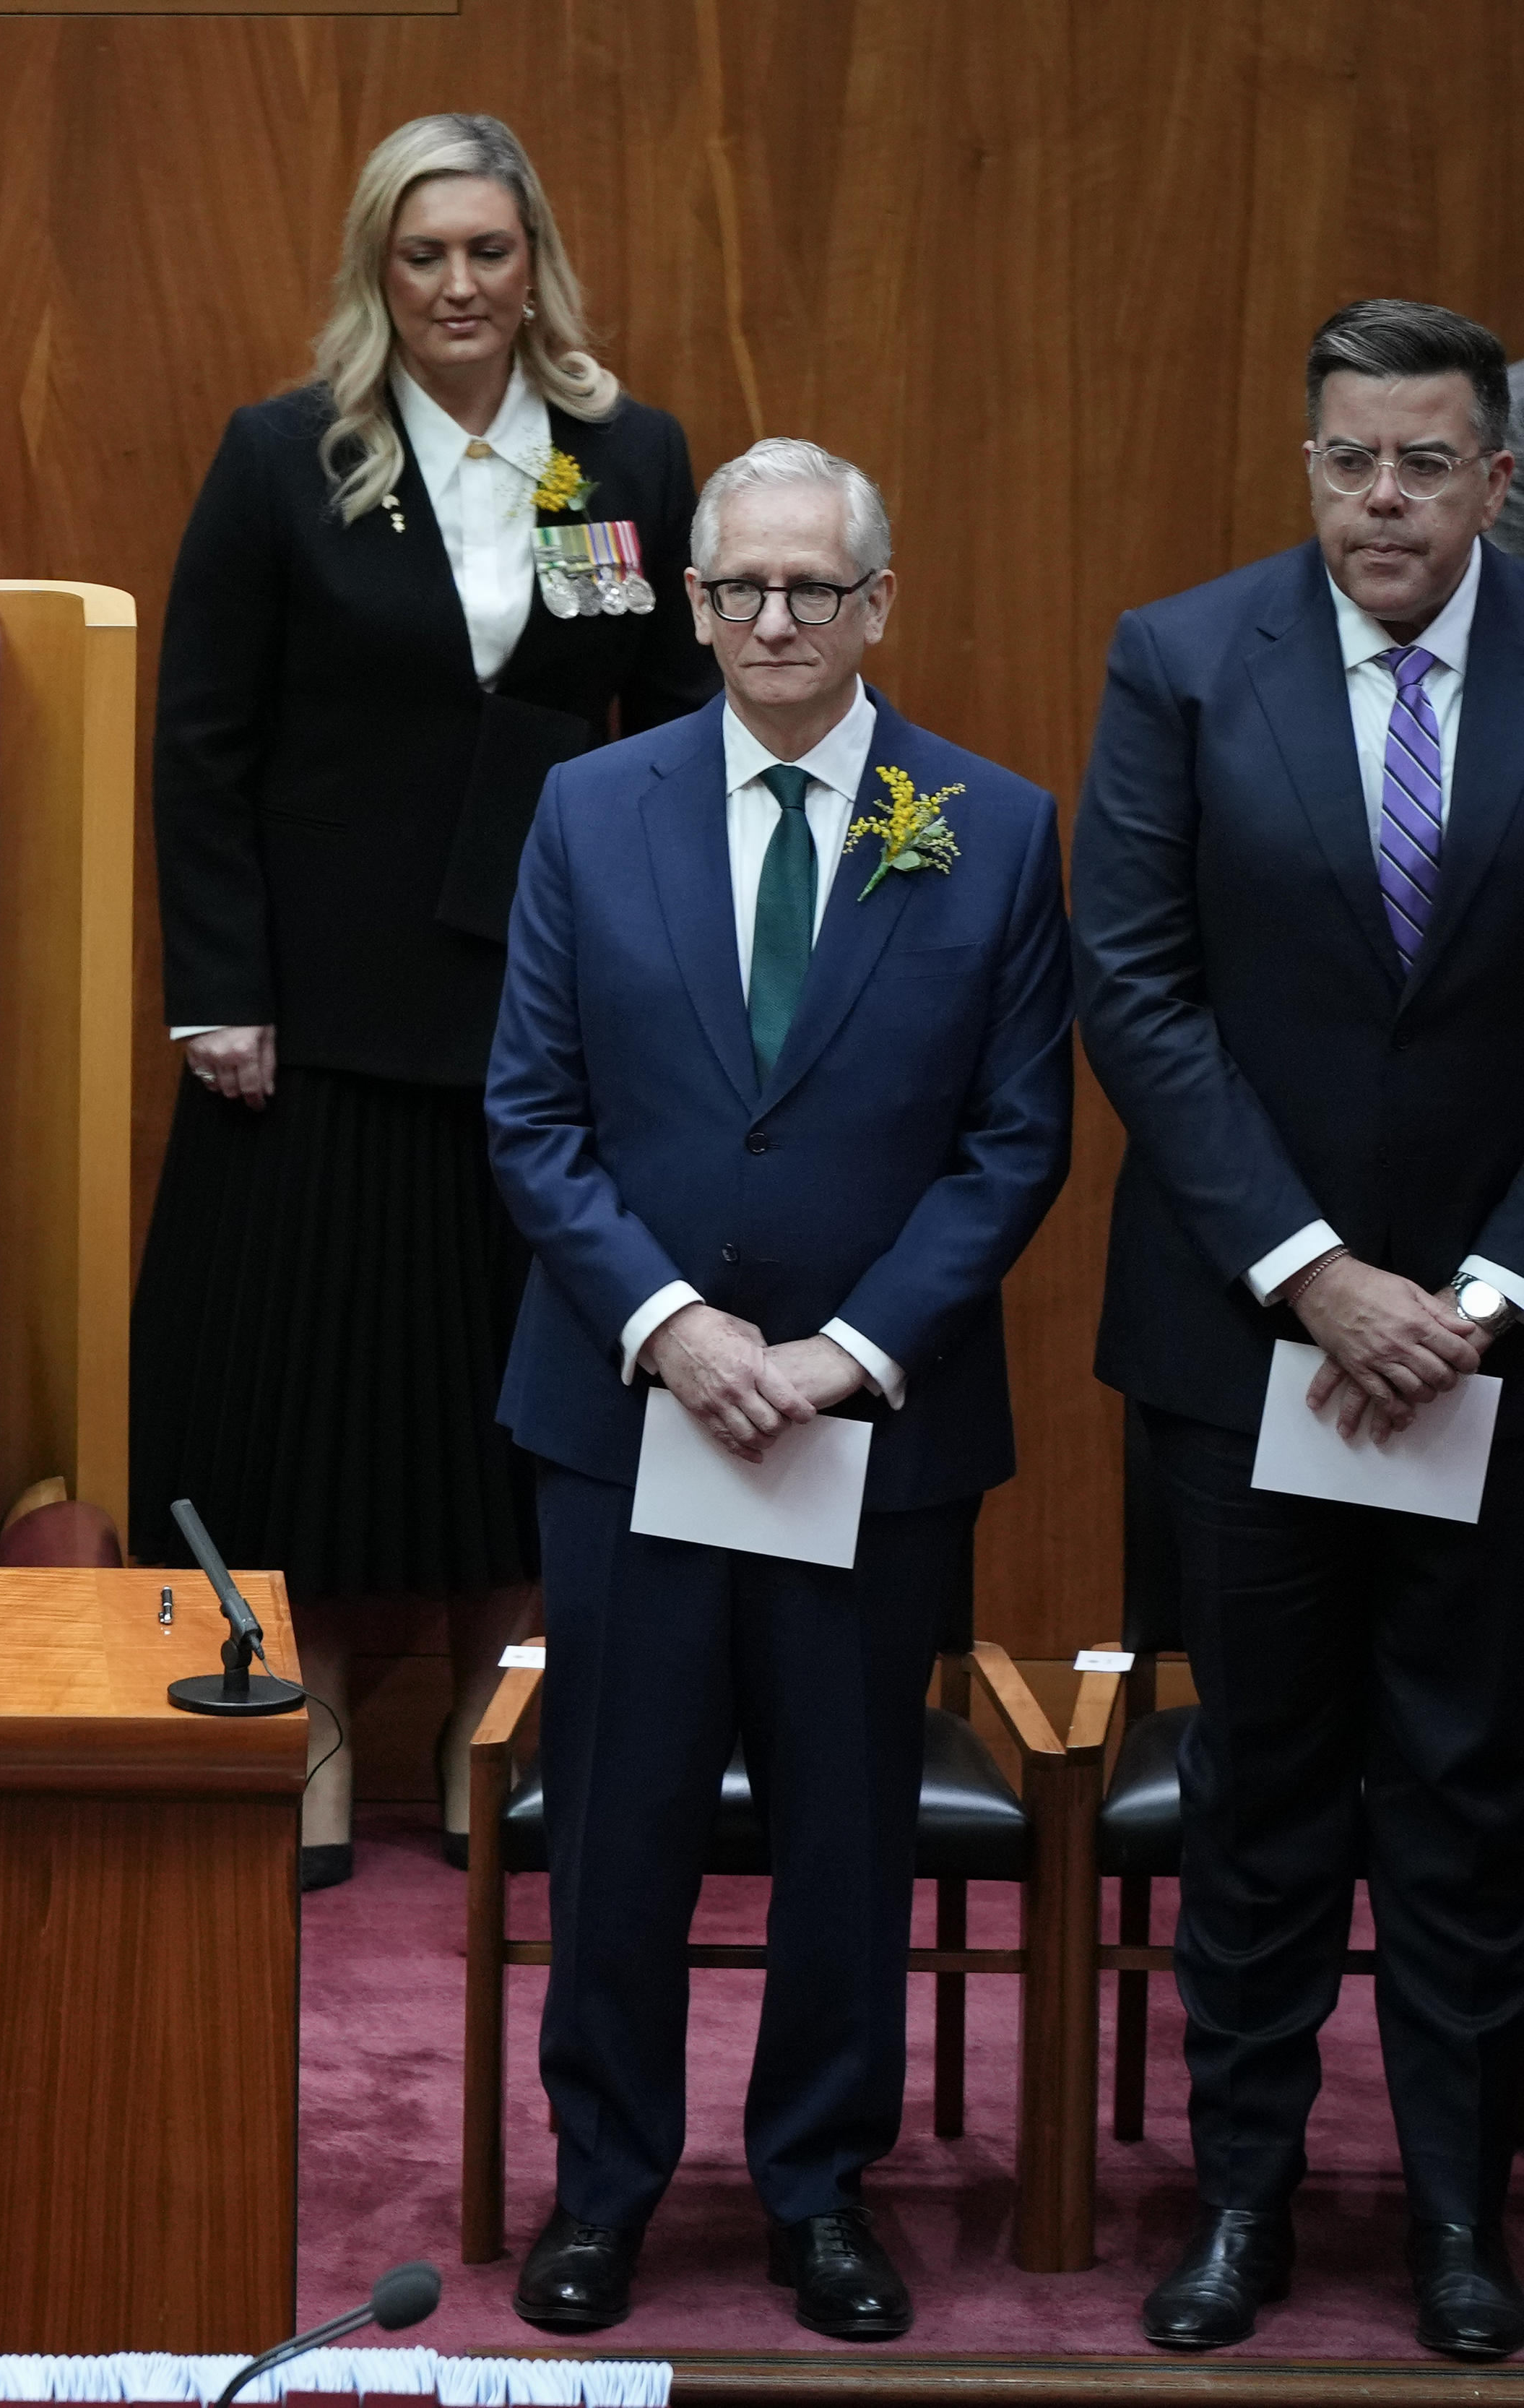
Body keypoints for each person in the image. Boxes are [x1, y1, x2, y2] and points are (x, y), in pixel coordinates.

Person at [486, 439, 1073, 2339]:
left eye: (811, 588)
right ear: (694, 600)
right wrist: (667, 1319)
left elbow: (1015, 1140)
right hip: (629, 1413)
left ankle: (821, 2188)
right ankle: (606, 2189)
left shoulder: (992, 826)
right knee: (624, 1818)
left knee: (846, 1829)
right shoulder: (590, 809)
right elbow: (534, 1112)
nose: (770, 620)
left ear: (877, 604)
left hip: (868, 1434)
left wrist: (847, 1352)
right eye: (737, 587)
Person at [137, 113, 717, 1887]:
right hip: (310, 1025)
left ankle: (492, 1760)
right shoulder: (283, 457)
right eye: (422, 256)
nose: (458, 286)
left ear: (532, 259)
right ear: (374, 276)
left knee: (506, 1404)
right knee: (303, 1406)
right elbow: (203, 740)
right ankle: (304, 1754)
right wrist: (218, 993)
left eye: (487, 251)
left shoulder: (623, 459)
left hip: (544, 1015)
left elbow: (680, 726)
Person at [1073, 298, 1524, 2362]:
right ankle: (1240, 2202)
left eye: (1428, 464)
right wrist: (1317, 1274)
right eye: (1350, 460)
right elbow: (1139, 991)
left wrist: (1479, 1295)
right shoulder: (1182, 660)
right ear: (1309, 461)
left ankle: (1453, 2218)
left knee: (1467, 1791)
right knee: (1261, 1794)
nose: (1384, 502)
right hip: (1247, 1340)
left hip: (1496, 1364)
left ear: (1497, 475)